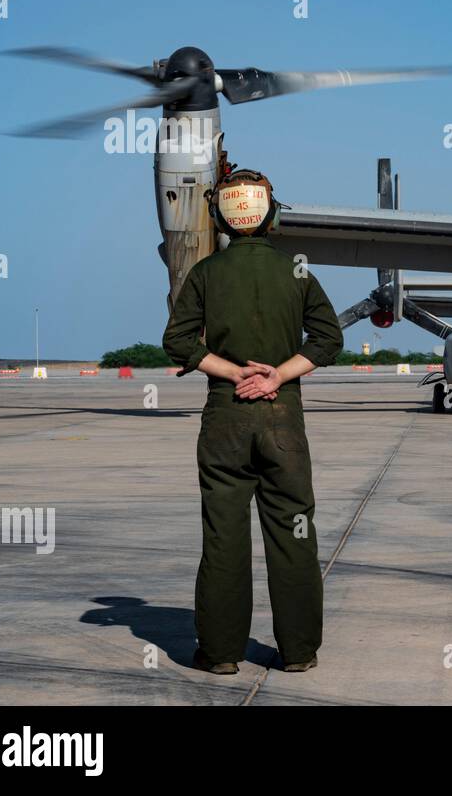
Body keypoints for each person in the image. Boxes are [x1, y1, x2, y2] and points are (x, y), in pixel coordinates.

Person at [162, 166, 343, 675]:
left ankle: (220, 654)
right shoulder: (299, 272)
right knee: (295, 532)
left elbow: (177, 343)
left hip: (225, 414)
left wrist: (233, 371)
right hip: (283, 418)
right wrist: (274, 377)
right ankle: (299, 652)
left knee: (223, 535)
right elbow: (328, 340)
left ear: (221, 217)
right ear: (273, 215)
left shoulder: (206, 273)